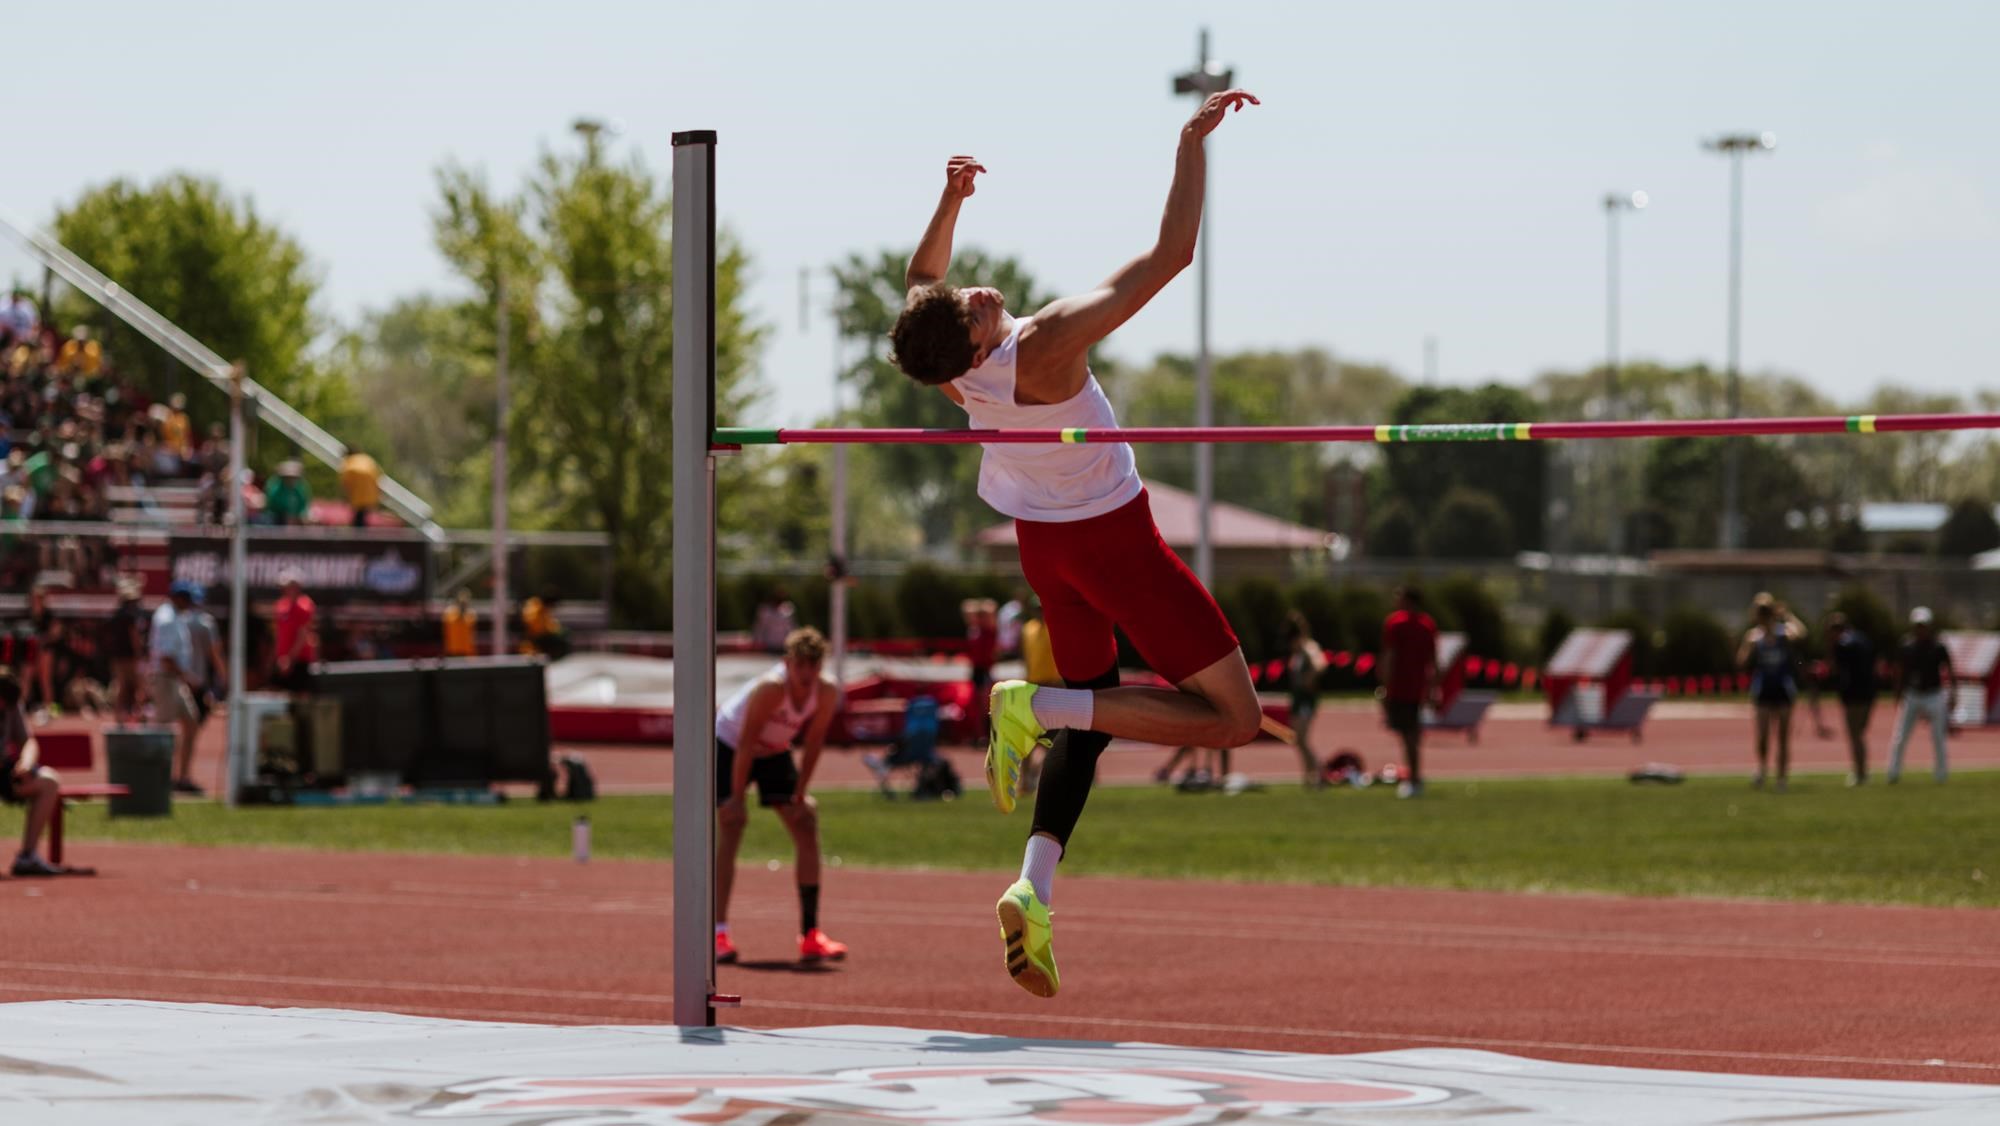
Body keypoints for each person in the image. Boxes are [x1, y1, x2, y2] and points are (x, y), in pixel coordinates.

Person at [887, 87, 1263, 998]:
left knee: (1093, 720)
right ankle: (1036, 707)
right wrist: (1190, 142)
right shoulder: (1045, 343)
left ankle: (1034, 887)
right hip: (1114, 550)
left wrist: (950, 203)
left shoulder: (953, 377)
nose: (978, 293)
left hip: (1045, 555)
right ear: (977, 348)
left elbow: (915, 285)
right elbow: (1172, 255)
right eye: (973, 309)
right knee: (1236, 720)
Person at [713, 627, 848, 965]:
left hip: (773, 750)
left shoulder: (826, 691)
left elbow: (814, 742)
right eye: (800, 664)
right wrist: (736, 799)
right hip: (731, 747)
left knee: (806, 824)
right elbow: (745, 743)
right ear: (787, 663)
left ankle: (811, 934)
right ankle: (716, 932)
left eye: (813, 665)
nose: (807, 673)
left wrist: (800, 795)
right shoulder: (771, 689)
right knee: (732, 827)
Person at [1, 670, 67, 876]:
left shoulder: (11, 703)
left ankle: (27, 857)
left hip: (3, 770)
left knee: (49, 781)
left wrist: (26, 763)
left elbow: (28, 741)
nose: (3, 706)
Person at [1737, 594, 1805, 792]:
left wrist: (1789, 615)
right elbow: (1741, 661)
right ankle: (1762, 769)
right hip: (1763, 690)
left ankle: (1782, 777)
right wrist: (1747, 647)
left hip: (1783, 690)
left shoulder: (1784, 632)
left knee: (1783, 736)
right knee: (1763, 736)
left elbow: (1801, 634)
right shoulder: (1753, 636)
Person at [1379, 586, 1439, 799]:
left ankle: (1413, 778)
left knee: (1408, 736)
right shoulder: (1427, 625)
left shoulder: (1396, 623)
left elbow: (1390, 657)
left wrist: (1384, 687)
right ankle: (1415, 776)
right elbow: (1434, 662)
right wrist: (1433, 689)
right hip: (1418, 687)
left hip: (1401, 687)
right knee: (1411, 734)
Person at [1886, 607, 1956, 785]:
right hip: (1912, 695)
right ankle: (1893, 773)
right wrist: (1897, 692)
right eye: (1918, 626)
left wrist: (1953, 693)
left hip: (1934, 694)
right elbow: (1899, 671)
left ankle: (1941, 775)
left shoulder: (1938, 647)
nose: (1920, 629)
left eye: (1923, 626)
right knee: (1900, 736)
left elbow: (1950, 669)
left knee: (1938, 736)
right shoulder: (1906, 646)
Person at [149, 581, 204, 794]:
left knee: (191, 722)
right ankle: (159, 780)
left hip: (175, 680)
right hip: (165, 679)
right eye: (188, 600)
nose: (191, 605)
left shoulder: (177, 615)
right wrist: (189, 678)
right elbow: (166, 659)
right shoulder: (167, 619)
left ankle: (183, 777)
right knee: (163, 732)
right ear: (178, 597)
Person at [1822, 612, 1878, 786]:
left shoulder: (1842, 644)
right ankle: (1862, 770)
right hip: (1869, 693)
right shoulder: (1863, 639)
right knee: (1859, 734)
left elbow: (1835, 668)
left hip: (1853, 696)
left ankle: (1860, 772)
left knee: (1855, 735)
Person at [1283, 612, 1329, 789]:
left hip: (1306, 699)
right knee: (1298, 739)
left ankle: (1319, 771)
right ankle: (1308, 777)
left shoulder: (1308, 647)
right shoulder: (1296, 652)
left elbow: (1320, 664)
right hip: (1297, 698)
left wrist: (1308, 680)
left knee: (1301, 738)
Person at [103, 578, 147, 721]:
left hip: (117, 658)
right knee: (139, 686)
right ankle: (140, 714)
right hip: (130, 658)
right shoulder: (131, 615)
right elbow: (134, 636)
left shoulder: (115, 615)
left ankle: (118, 716)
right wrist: (139, 654)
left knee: (121, 687)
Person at [272, 568, 318, 695]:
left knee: (301, 696)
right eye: (286, 586)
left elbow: (302, 636)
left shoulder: (305, 606)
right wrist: (277, 658)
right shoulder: (281, 605)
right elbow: (279, 634)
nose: (288, 590)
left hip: (300, 662)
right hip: (282, 661)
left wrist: (289, 660)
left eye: (292, 586)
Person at [963, 598, 998, 741]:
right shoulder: (974, 631)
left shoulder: (989, 631)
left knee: (985, 703)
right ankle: (979, 734)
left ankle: (986, 733)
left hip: (984, 670)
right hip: (976, 669)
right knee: (977, 703)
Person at [339, 446, 383, 528]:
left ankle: (358, 538)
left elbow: (346, 482)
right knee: (363, 517)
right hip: (371, 494)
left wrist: (345, 496)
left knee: (358, 520)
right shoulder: (367, 459)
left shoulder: (349, 462)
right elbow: (378, 474)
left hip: (358, 495)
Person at [264, 460, 311, 526]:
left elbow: (304, 505)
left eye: (294, 478)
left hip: (296, 517)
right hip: (276, 518)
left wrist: (301, 515)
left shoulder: (301, 488)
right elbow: (271, 505)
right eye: (288, 477)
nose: (291, 480)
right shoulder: (274, 487)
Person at [442, 589, 478, 658]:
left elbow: (469, 624)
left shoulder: (471, 613)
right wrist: (460, 611)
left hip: (468, 653)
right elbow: (452, 622)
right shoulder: (449, 612)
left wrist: (463, 612)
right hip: (453, 651)